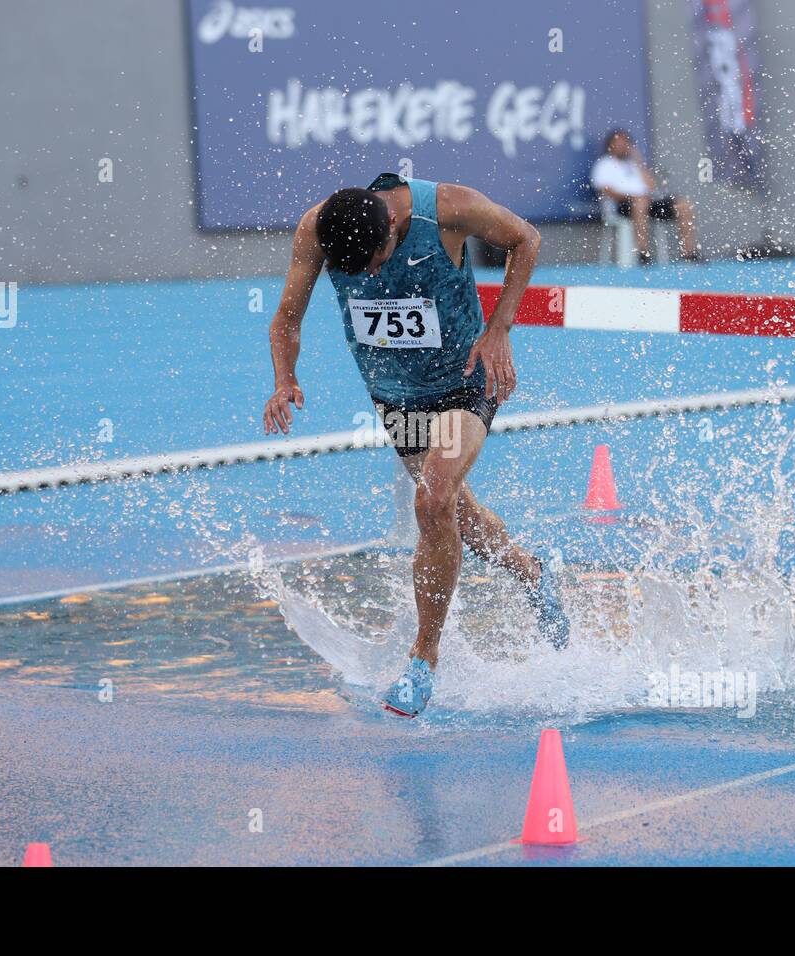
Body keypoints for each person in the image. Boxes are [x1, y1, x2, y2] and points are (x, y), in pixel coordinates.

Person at [262, 173, 571, 717]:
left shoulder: (450, 208)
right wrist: (284, 379)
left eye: (379, 261)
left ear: (394, 227)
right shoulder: (318, 228)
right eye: (359, 273)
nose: (375, 275)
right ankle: (532, 573)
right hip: (393, 396)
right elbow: (287, 317)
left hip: (463, 381)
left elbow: (527, 239)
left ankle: (423, 660)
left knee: (431, 501)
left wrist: (500, 328)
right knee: (456, 517)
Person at [590, 129, 703, 265]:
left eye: (625, 143)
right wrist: (634, 197)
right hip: (622, 205)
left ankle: (688, 253)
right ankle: (643, 254)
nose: (621, 146)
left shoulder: (634, 164)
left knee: (684, 205)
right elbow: (607, 191)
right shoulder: (604, 164)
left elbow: (652, 186)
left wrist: (638, 161)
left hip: (647, 201)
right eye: (617, 143)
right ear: (610, 146)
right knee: (640, 203)